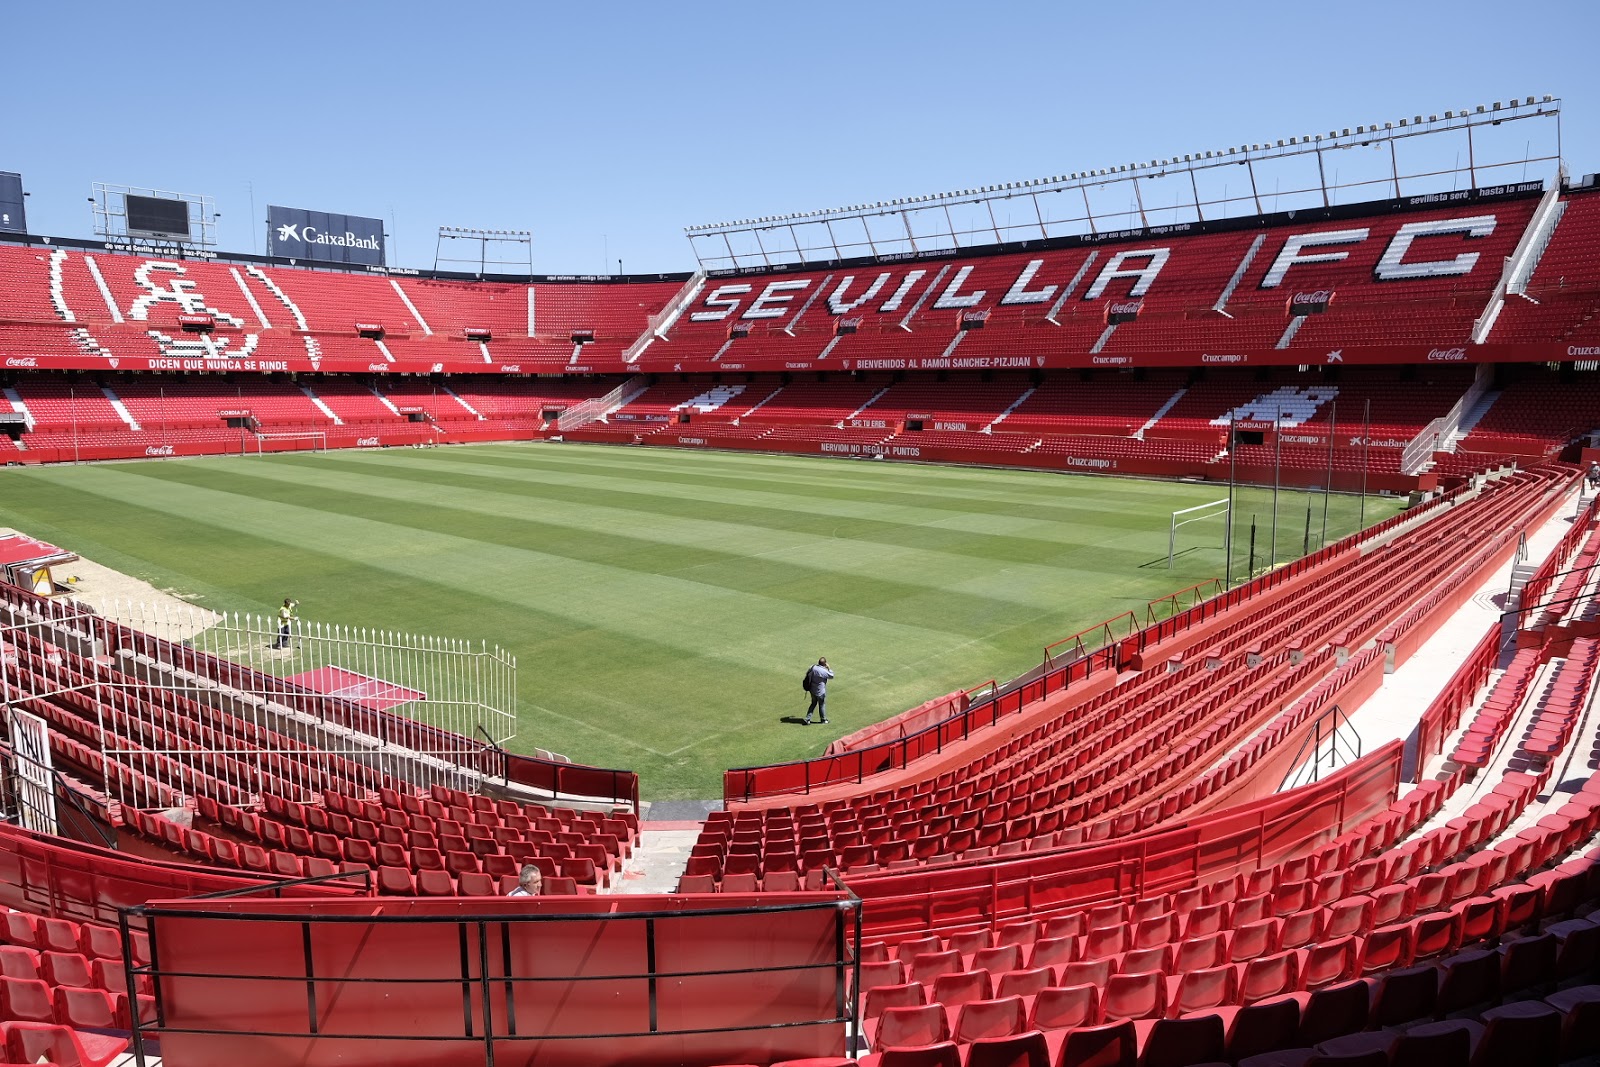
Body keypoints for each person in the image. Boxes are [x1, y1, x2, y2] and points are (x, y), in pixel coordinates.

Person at [803, 656, 834, 725]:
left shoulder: (813, 667)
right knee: (822, 705)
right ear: (824, 663)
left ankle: (807, 719)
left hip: (812, 690)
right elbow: (831, 676)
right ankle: (823, 720)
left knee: (813, 704)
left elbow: (808, 673)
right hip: (820, 691)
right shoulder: (823, 671)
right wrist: (829, 668)